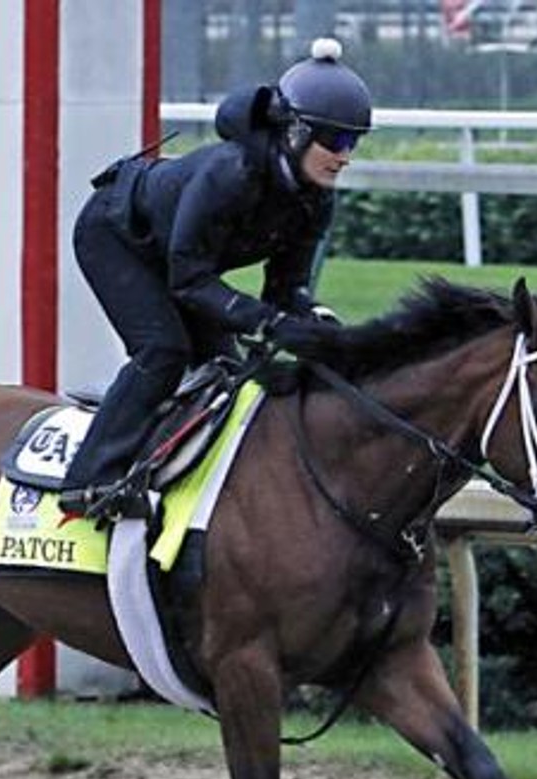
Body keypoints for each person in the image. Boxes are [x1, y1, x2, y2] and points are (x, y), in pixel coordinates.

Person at [58, 37, 372, 518]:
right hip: (114, 235)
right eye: (337, 141)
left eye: (354, 143)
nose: (345, 156)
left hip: (181, 260)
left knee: (229, 371)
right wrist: (266, 322)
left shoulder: (316, 199)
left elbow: (286, 290)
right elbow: (187, 280)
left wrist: (319, 324)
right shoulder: (230, 176)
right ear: (295, 133)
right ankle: (88, 481)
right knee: (163, 351)